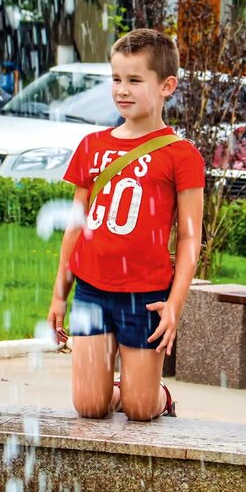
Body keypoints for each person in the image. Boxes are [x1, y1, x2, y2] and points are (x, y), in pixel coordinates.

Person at [46, 28, 205, 421]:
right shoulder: (92, 146)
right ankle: (118, 386)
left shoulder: (181, 156)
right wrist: (59, 294)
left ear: (167, 85)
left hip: (145, 294)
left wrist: (174, 304)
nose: (122, 89)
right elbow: (75, 226)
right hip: (92, 290)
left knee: (140, 410)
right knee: (89, 406)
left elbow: (189, 237)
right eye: (116, 79)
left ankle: (155, 393)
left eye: (135, 80)